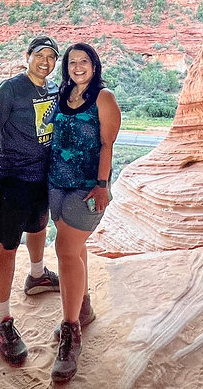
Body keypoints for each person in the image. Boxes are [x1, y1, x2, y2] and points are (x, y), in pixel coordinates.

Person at [0, 34, 63, 366]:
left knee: (39, 226)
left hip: (42, 176)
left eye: (52, 57)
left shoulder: (53, 90)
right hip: (12, 178)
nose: (45, 61)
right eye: (40, 54)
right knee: (9, 244)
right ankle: (1, 321)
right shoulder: (11, 88)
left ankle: (37, 275)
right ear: (27, 56)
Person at [47, 42, 121, 383]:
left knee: (64, 251)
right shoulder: (63, 95)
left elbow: (107, 144)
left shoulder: (103, 98)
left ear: (94, 65)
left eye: (84, 61)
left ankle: (71, 329)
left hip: (87, 188)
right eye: (72, 62)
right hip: (56, 184)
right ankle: (84, 305)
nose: (78, 66)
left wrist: (102, 184)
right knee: (75, 249)